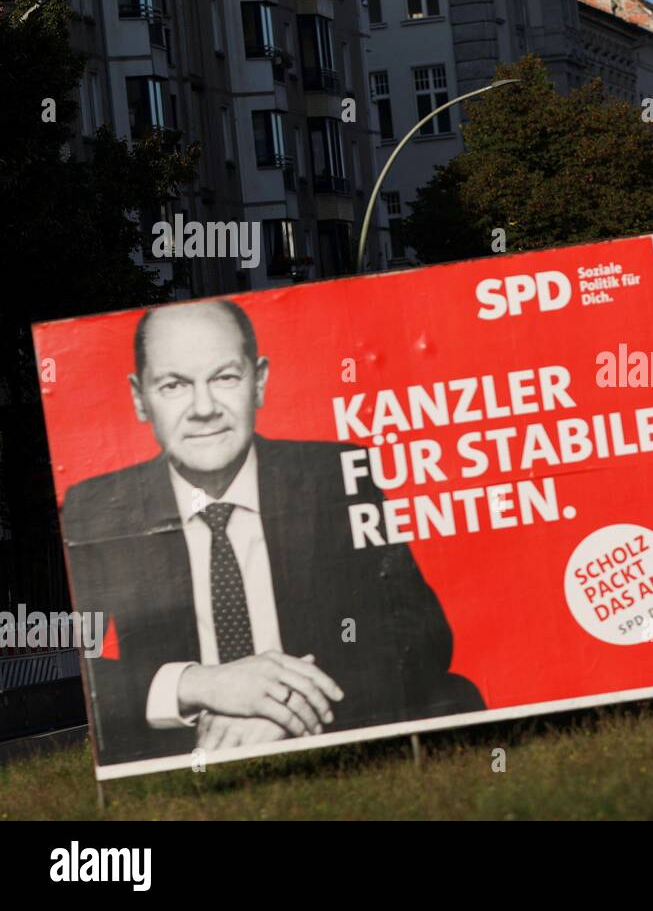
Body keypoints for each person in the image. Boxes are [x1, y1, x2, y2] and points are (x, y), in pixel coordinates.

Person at [60, 300, 482, 767]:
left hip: (329, 720)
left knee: (456, 697)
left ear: (258, 381)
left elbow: (420, 632)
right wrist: (199, 684)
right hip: (190, 741)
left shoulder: (332, 476)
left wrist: (280, 705)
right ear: (141, 397)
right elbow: (84, 669)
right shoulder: (97, 510)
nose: (204, 408)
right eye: (175, 384)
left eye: (225, 377)